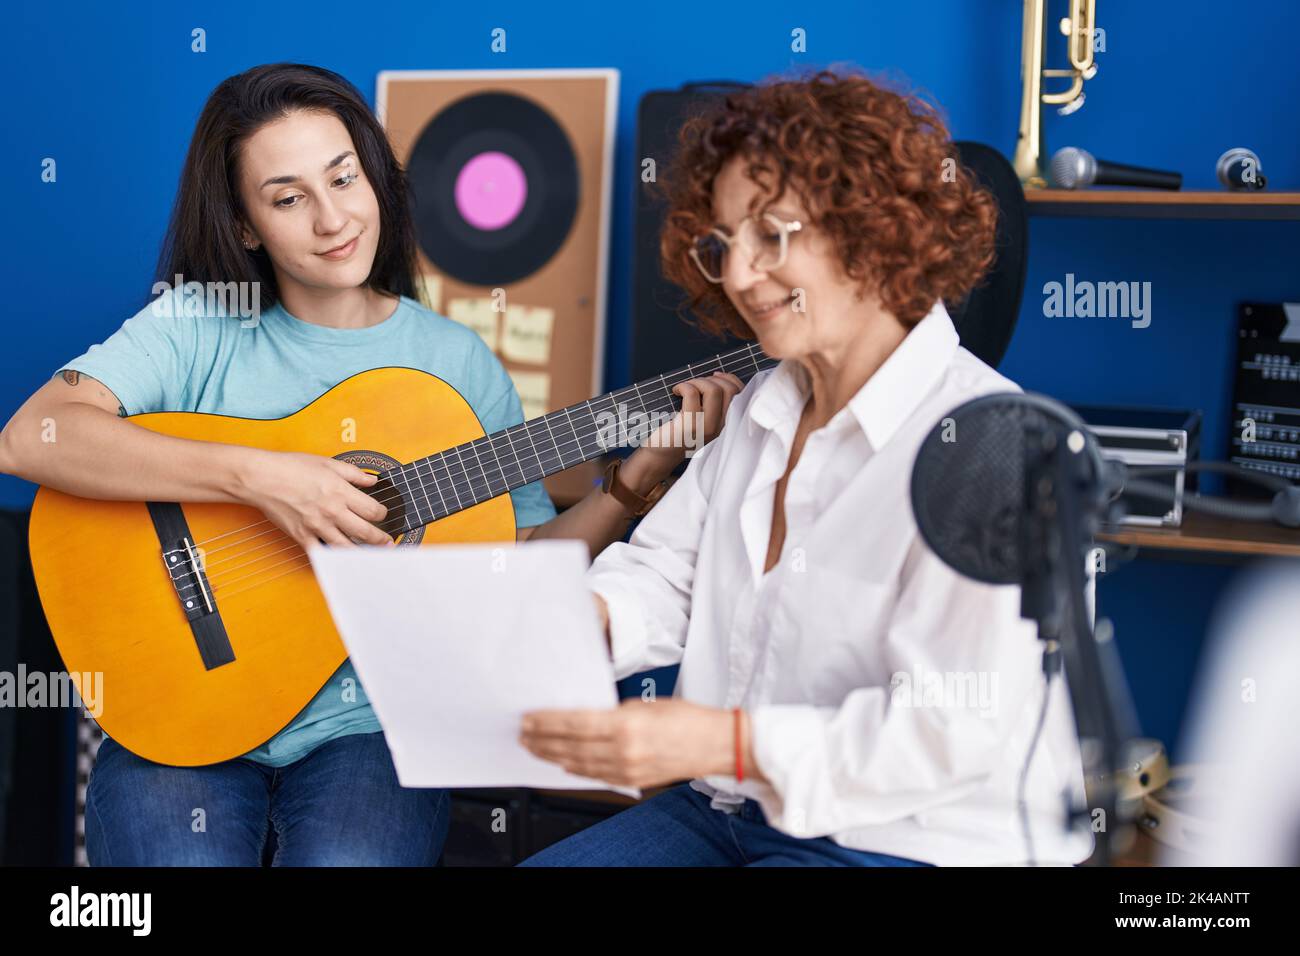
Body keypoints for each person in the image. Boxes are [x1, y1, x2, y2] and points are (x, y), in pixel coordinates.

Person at [0, 62, 738, 866]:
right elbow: (30, 437)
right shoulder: (199, 322)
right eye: (287, 198)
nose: (332, 219)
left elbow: (515, 569)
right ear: (247, 226)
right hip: (182, 704)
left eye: (343, 178)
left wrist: (629, 488)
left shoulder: (454, 361)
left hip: (372, 724)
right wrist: (266, 480)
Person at [519, 68, 1093, 866]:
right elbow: (667, 577)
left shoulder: (995, 445)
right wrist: (593, 619)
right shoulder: (763, 406)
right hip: (722, 806)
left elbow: (950, 727)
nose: (742, 275)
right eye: (724, 244)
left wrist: (724, 739)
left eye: (772, 234)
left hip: (903, 839)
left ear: (873, 228)